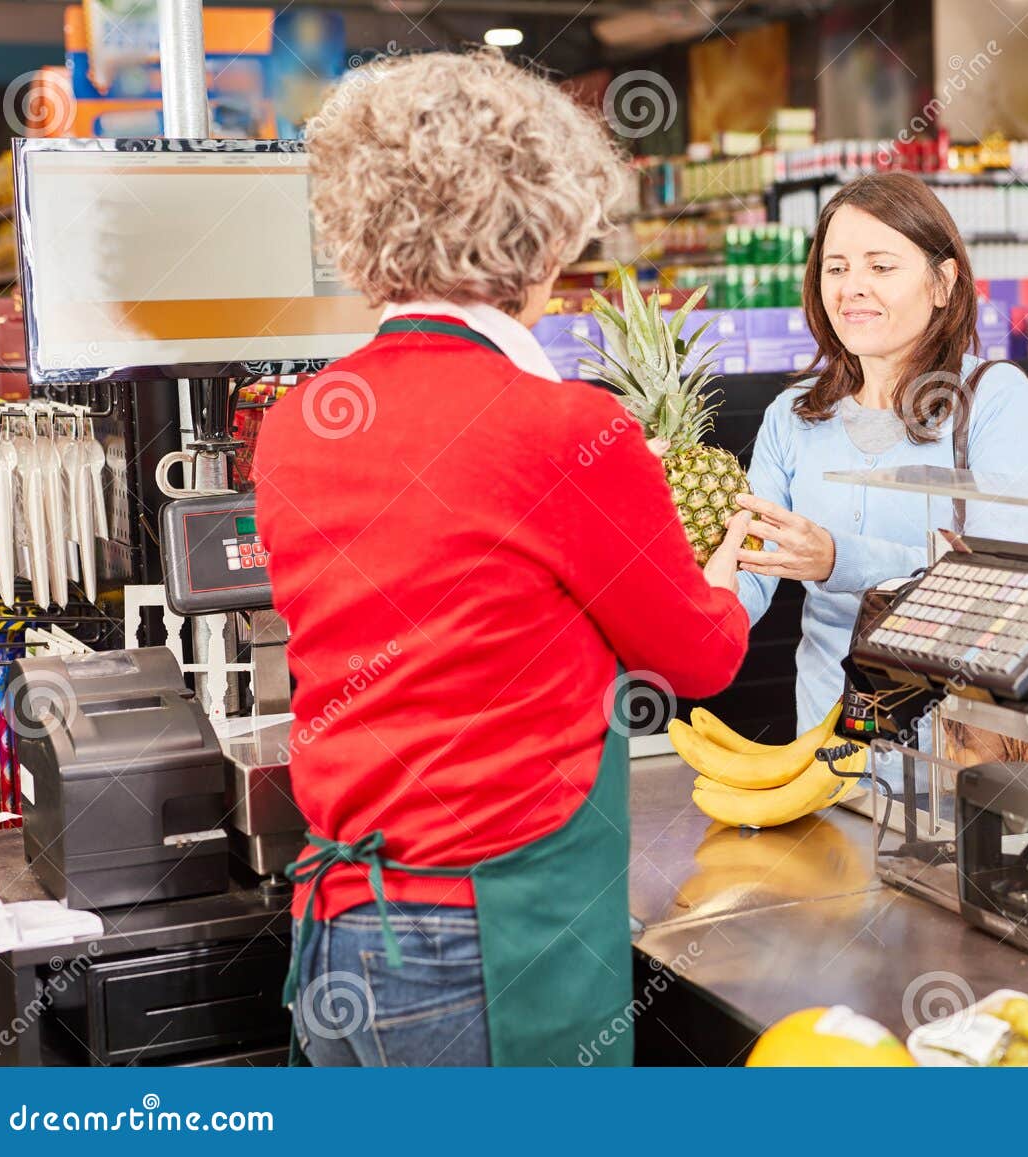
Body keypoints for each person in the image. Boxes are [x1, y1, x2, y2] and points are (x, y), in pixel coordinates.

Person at [253, 51, 752, 1067]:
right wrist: (721, 565)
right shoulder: (566, 428)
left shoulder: (299, 422)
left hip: (340, 926)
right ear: (547, 227)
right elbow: (697, 659)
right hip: (494, 943)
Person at [731, 172, 1028, 742]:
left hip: (950, 746)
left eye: (880, 266)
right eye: (836, 268)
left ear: (942, 282)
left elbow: (998, 582)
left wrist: (838, 559)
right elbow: (749, 577)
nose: (852, 288)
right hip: (825, 747)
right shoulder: (792, 415)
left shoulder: (993, 397)